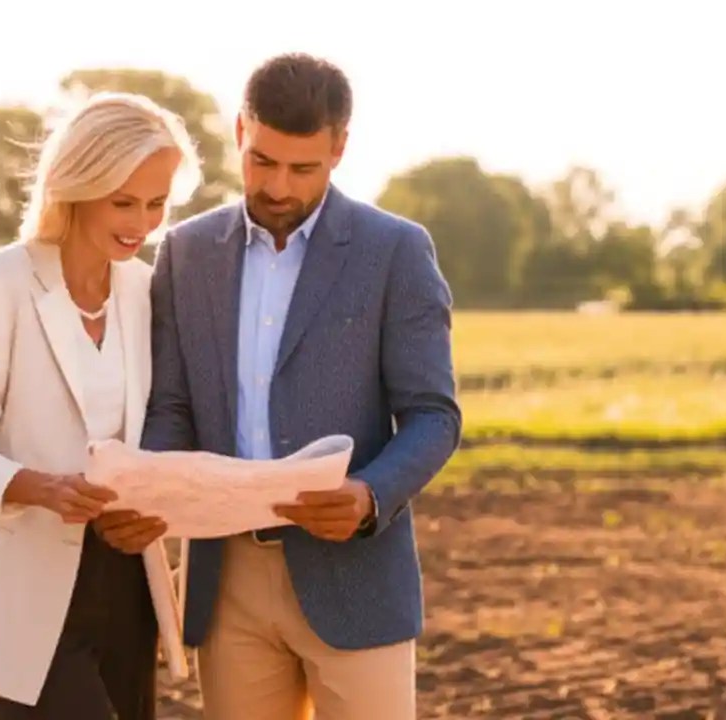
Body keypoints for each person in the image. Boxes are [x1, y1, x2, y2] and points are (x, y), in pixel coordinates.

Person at [139, 52, 462, 719]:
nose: (278, 186)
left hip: (355, 576)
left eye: (302, 168)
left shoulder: (395, 250)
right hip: (224, 584)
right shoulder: (186, 251)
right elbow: (171, 405)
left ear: (340, 149)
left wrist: (370, 495)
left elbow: (434, 414)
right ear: (239, 133)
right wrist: (149, 491)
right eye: (262, 161)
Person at [0, 91, 201, 719]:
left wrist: (157, 505)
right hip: (25, 593)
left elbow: (158, 434)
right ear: (74, 186)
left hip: (127, 582)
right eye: (123, 201)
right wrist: (36, 486)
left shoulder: (147, 290)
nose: (142, 222)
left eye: (157, 204)